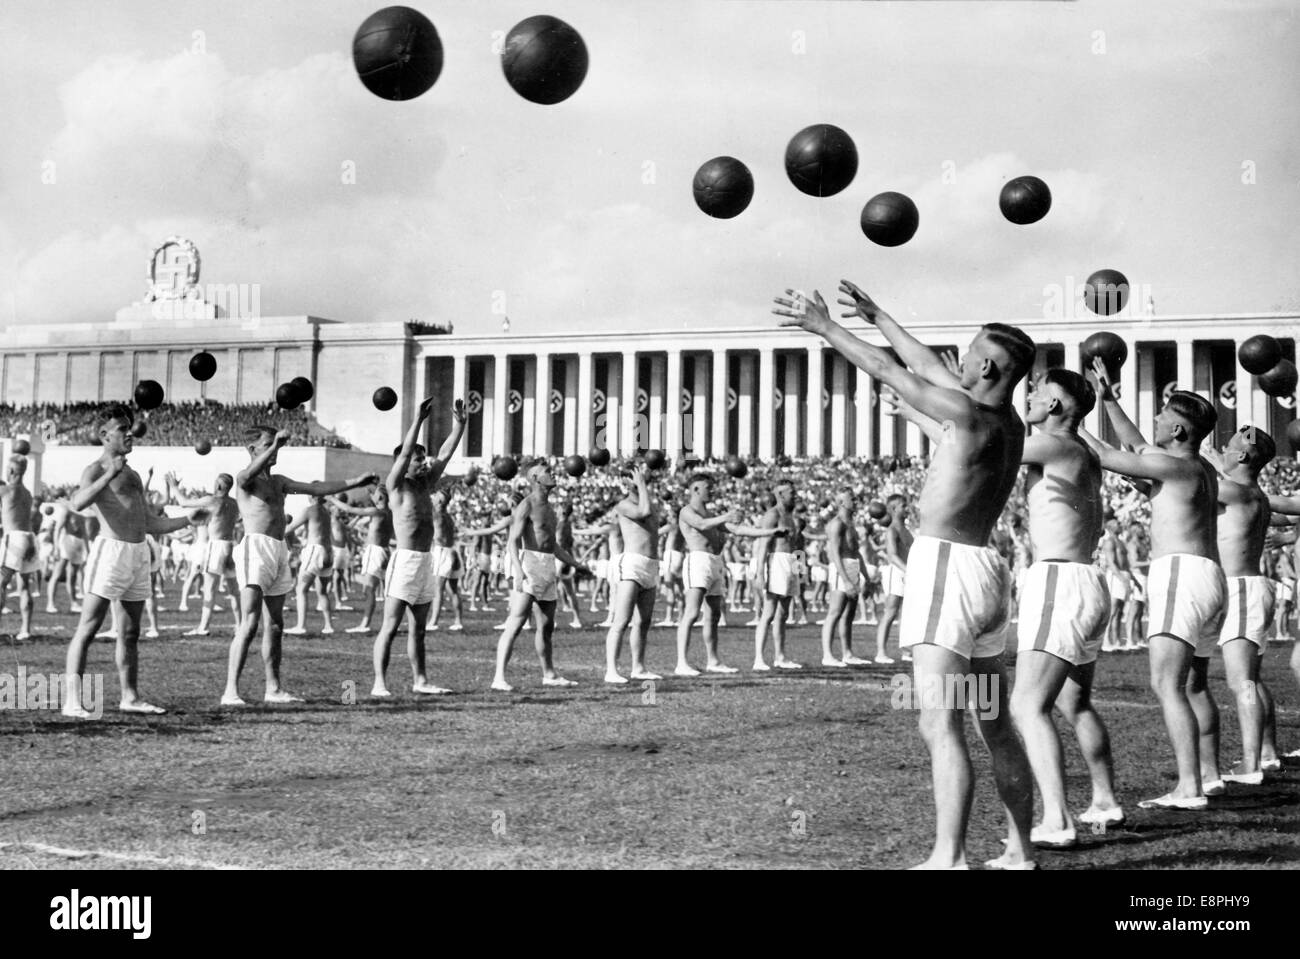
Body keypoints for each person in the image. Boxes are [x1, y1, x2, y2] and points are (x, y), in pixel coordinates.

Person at [776, 279, 1037, 870]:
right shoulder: (1010, 423)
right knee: (995, 724)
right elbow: (922, 364)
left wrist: (826, 327)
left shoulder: (965, 413)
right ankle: (1020, 852)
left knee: (940, 721)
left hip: (946, 569)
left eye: (970, 353)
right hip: (985, 571)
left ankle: (949, 856)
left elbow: (889, 371)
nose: (958, 359)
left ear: (987, 367)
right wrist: (878, 315)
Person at [1082, 357, 1224, 810]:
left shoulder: (1173, 465)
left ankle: (1189, 787)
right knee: (1194, 684)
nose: (1156, 420)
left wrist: (1073, 421)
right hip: (1208, 575)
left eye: (1163, 415)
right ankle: (1209, 775)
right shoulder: (1199, 467)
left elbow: (1107, 455)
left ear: (1178, 431)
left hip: (1181, 573)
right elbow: (1138, 444)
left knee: (1167, 685)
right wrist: (1108, 400)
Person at [1001, 370, 1123, 844]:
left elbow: (988, 448)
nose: (1029, 396)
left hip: (1059, 579)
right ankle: (1105, 798)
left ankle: (1057, 819)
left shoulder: (1053, 444)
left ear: (1054, 404)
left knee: (1026, 705)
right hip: (1087, 580)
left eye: (1037, 391)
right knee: (1074, 701)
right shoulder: (1083, 451)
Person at [223, 425, 376, 705]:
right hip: (255, 549)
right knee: (250, 622)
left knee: (275, 625)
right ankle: (230, 692)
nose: (274, 450)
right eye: (267, 445)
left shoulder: (279, 481)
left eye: (275, 444)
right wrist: (277, 445)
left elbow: (316, 488)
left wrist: (354, 482)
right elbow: (246, 475)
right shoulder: (245, 478)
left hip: (278, 549)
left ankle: (273, 689)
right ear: (252, 450)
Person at [62, 405, 197, 718]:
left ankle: (130, 697)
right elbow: (78, 502)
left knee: (130, 632)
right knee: (88, 628)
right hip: (110, 552)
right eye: (122, 429)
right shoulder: (95, 470)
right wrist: (110, 472)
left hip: (138, 553)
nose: (130, 433)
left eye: (129, 427)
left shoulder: (134, 475)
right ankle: (72, 701)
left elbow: (150, 522)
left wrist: (189, 519)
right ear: (104, 435)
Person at [370, 399, 466, 696]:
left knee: (419, 629)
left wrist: (459, 425)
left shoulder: (426, 483)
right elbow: (404, 454)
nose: (423, 462)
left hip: (426, 561)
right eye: (417, 459)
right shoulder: (396, 484)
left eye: (423, 458)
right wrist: (418, 420)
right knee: (390, 626)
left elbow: (445, 454)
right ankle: (379, 684)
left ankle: (421, 681)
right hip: (405, 561)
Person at [1203, 426, 1279, 784]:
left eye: (1227, 447)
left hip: (1242, 590)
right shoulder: (1250, 492)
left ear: (1243, 456)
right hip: (1249, 589)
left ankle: (1251, 764)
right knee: (1251, 679)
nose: (1222, 449)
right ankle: (1266, 752)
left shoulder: (1234, 490)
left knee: (1243, 682)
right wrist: (1219, 462)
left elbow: (1192, 487)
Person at [491, 463, 590, 691]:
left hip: (547, 565)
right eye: (548, 472)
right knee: (515, 623)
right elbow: (512, 541)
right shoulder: (526, 505)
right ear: (535, 478)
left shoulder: (550, 508)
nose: (553, 474)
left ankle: (549, 674)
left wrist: (576, 564)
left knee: (546, 626)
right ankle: (499, 678)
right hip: (530, 564)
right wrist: (518, 571)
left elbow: (553, 546)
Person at [675, 472, 784, 676]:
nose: (712, 491)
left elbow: (738, 530)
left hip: (715, 562)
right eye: (708, 488)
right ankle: (681, 663)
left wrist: (769, 532)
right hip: (698, 561)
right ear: (695, 489)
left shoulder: (711, 514)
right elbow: (701, 525)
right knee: (692, 612)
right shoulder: (686, 511)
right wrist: (726, 516)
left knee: (713, 614)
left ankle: (713, 661)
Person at [604, 464, 664, 683]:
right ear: (626, 482)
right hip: (632, 565)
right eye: (634, 477)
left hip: (650, 565)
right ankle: (611, 670)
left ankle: (638, 668)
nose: (640, 479)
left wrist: (642, 486)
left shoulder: (650, 503)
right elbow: (643, 513)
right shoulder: (623, 505)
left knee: (644, 621)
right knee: (621, 620)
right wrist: (640, 484)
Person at [170, 473, 242, 636]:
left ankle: (203, 627)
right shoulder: (234, 503)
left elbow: (183, 502)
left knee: (210, 588)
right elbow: (238, 520)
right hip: (230, 545)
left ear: (218, 485)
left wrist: (174, 487)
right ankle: (240, 625)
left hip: (216, 546)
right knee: (233, 590)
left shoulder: (212, 500)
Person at [752, 482, 805, 670]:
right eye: (792, 493)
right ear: (781, 495)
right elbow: (763, 545)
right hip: (776, 562)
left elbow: (796, 546)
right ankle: (759, 659)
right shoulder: (772, 515)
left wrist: (799, 568)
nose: (795, 495)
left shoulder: (791, 516)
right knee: (768, 612)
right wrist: (760, 573)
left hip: (790, 562)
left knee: (783, 614)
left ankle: (780, 657)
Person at [819, 487, 870, 666]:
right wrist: (846, 580)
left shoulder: (851, 524)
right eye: (852, 499)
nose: (855, 502)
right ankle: (827, 655)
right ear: (842, 502)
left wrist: (866, 577)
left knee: (849, 614)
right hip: (841, 568)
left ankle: (847, 653)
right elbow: (834, 554)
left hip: (853, 566)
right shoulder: (837, 524)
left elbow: (857, 552)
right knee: (835, 611)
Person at [338, 485, 393, 635]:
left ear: (380, 497)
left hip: (375, 552)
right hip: (384, 550)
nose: (371, 497)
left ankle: (365, 624)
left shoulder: (376, 511)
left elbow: (350, 509)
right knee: (383, 591)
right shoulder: (389, 512)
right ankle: (388, 623)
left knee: (369, 590)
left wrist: (331, 498)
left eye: (374, 495)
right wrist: (371, 492)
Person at [284, 495, 339, 636]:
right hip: (328, 552)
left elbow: (290, 528)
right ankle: (329, 626)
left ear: (312, 496)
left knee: (301, 589)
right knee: (322, 592)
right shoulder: (326, 512)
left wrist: (272, 534)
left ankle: (301, 626)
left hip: (315, 550)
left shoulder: (310, 510)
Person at [0, 455, 38, 640]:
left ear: (11, 470)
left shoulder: (5, 490)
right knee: (24, 586)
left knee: (1, 583)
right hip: (29, 537)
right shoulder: (28, 493)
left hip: (13, 537)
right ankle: (25, 630)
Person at [874, 493, 912, 665]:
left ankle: (906, 650)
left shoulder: (906, 530)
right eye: (904, 506)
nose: (907, 508)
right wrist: (908, 571)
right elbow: (892, 555)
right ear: (894, 508)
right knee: (890, 612)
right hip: (897, 572)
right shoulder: (892, 530)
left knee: (907, 614)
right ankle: (881, 652)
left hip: (907, 572)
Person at [1098, 517, 1130, 652]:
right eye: (1117, 524)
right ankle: (1106, 641)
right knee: (1113, 610)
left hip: (1123, 574)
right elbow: (1111, 563)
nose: (1120, 525)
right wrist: (1122, 579)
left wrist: (1130, 578)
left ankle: (1116, 640)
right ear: (1110, 527)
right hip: (1116, 576)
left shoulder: (1120, 542)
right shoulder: (1109, 542)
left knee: (1119, 611)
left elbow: (1125, 562)